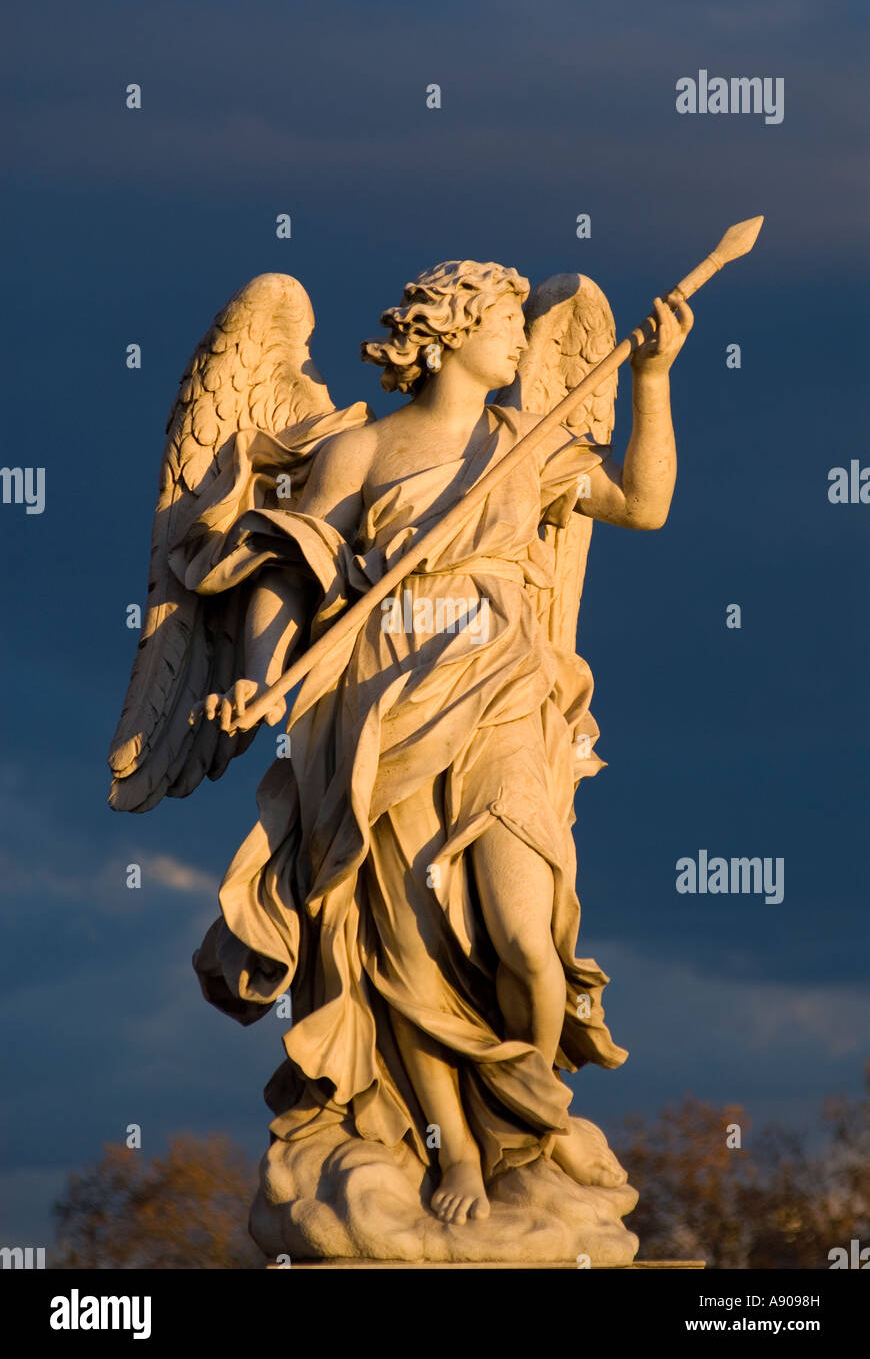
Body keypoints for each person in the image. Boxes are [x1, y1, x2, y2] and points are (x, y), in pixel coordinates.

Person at [191, 259, 694, 1225]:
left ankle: (528, 1124)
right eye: (503, 321)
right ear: (450, 331)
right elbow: (290, 573)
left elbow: (644, 503)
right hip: (386, 707)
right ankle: (454, 1148)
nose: (519, 339)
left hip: (504, 690)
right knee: (401, 948)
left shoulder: (529, 441)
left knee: (528, 940)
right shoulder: (362, 451)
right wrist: (258, 677)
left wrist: (653, 380)